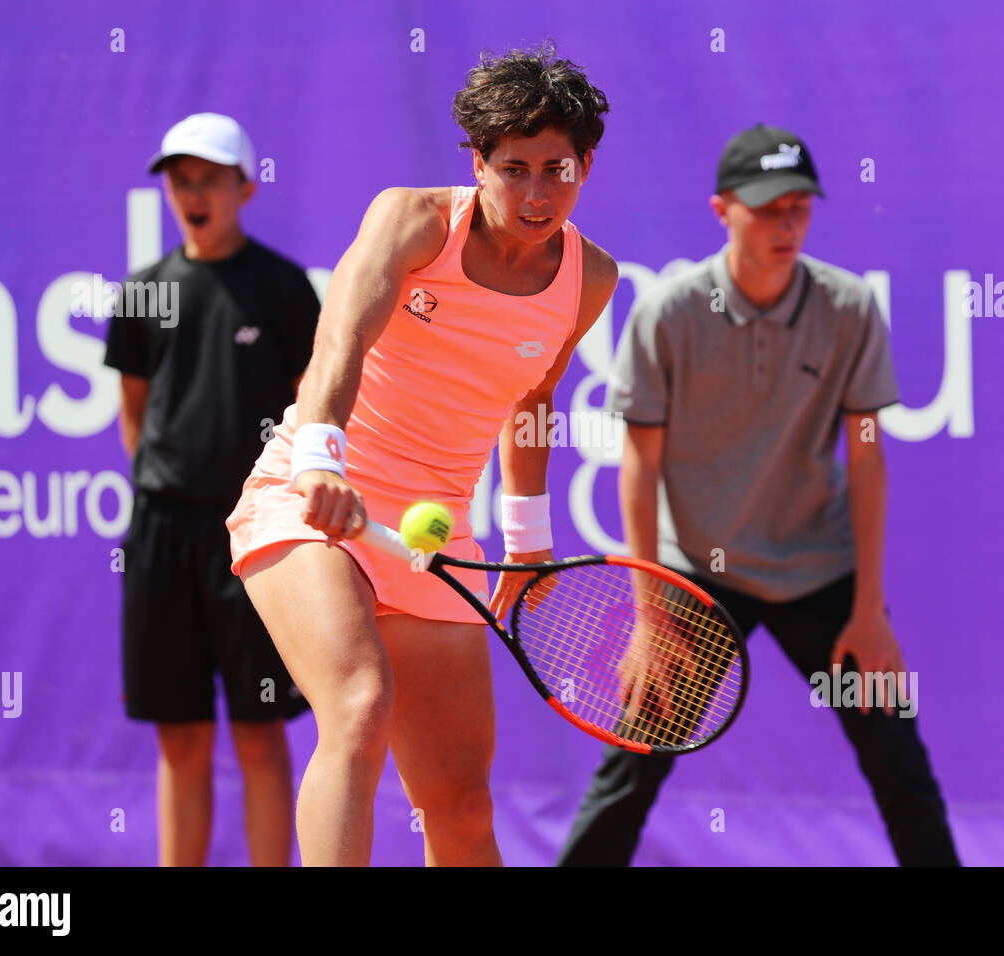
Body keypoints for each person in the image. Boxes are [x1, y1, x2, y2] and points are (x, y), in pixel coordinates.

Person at [225, 45, 619, 867]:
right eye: (515, 169)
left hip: (432, 544)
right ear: (477, 163)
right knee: (361, 707)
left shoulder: (589, 278)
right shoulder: (412, 219)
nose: (538, 194)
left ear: (586, 165)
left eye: (559, 169)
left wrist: (528, 541)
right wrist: (321, 457)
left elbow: (532, 402)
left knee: (460, 801)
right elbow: (342, 337)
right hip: (311, 498)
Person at [557, 124, 960, 867]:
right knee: (632, 765)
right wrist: (649, 615)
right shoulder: (668, 312)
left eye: (801, 207)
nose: (788, 224)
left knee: (898, 760)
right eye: (770, 206)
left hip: (823, 572)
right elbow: (638, 467)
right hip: (697, 577)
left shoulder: (847, 307)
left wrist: (869, 609)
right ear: (722, 210)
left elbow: (867, 460)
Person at [103, 112, 320, 866]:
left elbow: (311, 410)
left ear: (244, 187)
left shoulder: (284, 288)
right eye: (180, 180)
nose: (193, 194)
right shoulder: (141, 293)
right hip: (163, 537)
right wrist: (166, 490)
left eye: (209, 179)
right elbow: (135, 415)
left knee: (260, 732)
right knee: (181, 735)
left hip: (255, 538)